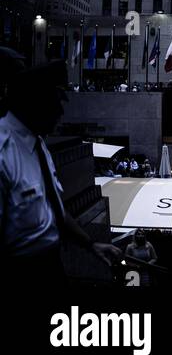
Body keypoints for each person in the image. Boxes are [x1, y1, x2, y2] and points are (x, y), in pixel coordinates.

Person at [0, 60, 121, 284]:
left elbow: (54, 208)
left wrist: (90, 244)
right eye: (56, 103)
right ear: (35, 102)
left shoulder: (37, 144)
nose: (61, 112)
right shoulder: (3, 153)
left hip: (51, 265)